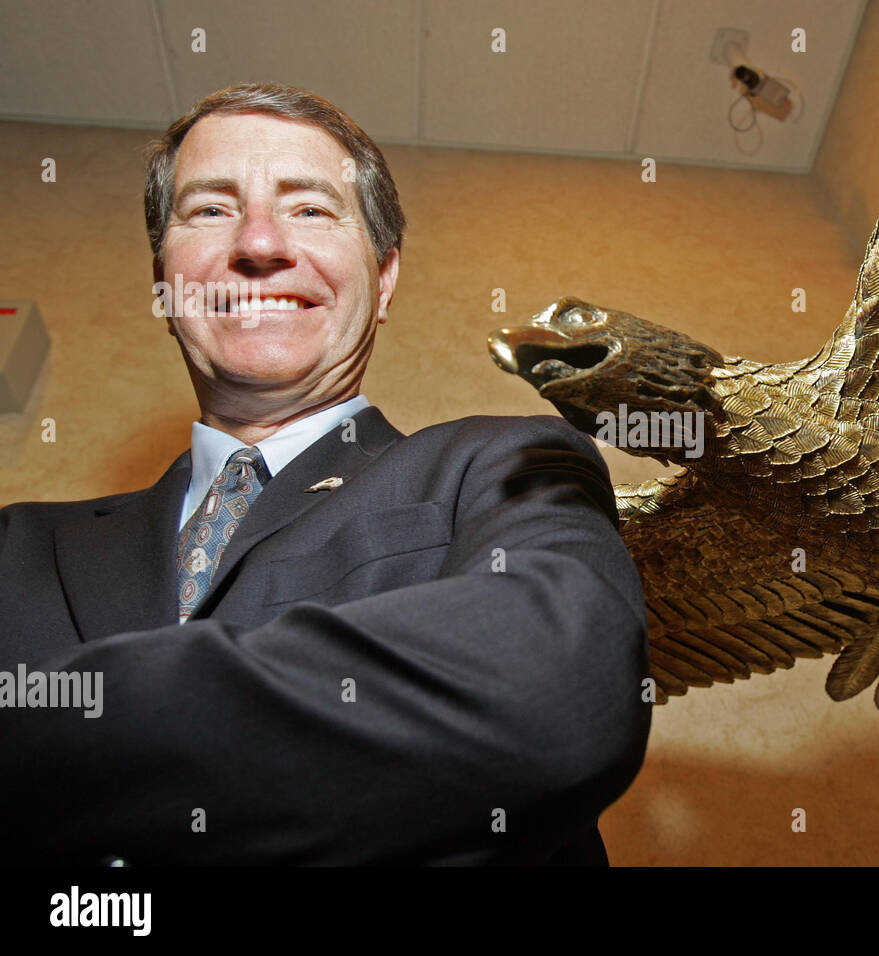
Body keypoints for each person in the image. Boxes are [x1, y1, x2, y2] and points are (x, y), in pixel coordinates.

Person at [0, 83, 651, 865]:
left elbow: (554, 693)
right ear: (164, 282)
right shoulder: (16, 544)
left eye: (311, 208)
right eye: (210, 209)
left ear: (384, 279)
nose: (261, 242)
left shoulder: (509, 462)